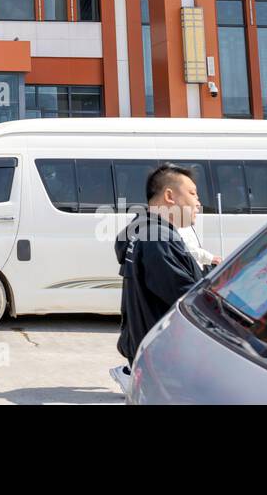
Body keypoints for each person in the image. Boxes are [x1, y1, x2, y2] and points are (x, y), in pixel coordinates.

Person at [110, 163, 205, 392]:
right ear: (170, 196)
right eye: (192, 193)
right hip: (165, 364)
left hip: (146, 353)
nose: (198, 203)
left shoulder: (140, 229)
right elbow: (191, 301)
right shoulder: (159, 240)